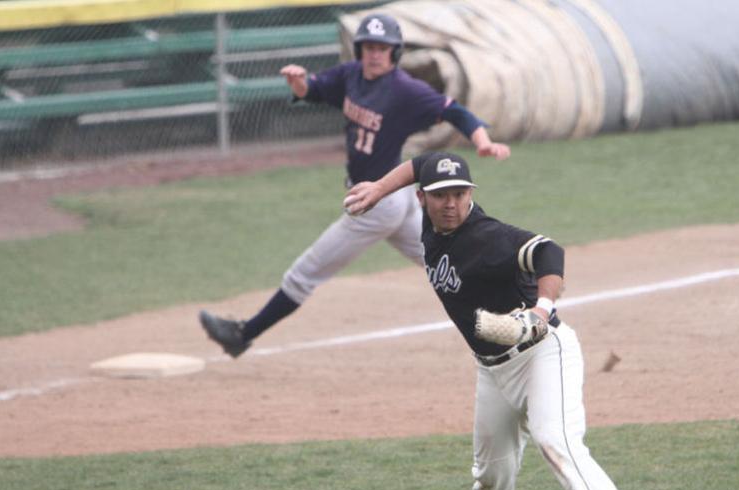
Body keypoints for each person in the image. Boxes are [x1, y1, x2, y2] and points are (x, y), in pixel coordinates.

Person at [343, 151, 641, 490]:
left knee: (555, 439)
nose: (451, 203)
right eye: (441, 194)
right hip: (492, 368)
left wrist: (540, 311)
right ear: (422, 199)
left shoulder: (488, 237)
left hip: (543, 354)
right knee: (491, 466)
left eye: (460, 194)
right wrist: (377, 188)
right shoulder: (431, 221)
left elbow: (548, 251)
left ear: (471, 194)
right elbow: (420, 162)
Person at [199, 13, 510, 357]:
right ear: (359, 49)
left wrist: (482, 141)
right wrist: (299, 84)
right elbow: (314, 90)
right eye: (368, 47)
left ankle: (243, 334)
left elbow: (456, 112)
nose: (374, 54)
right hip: (395, 198)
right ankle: (507, 308)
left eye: (382, 48)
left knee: (305, 272)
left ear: (394, 53)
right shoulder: (351, 76)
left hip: (377, 204)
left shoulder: (404, 90)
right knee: (443, 261)